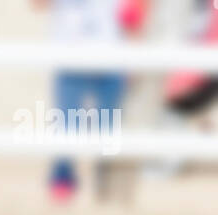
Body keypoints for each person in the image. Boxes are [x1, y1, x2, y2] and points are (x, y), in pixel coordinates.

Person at [32, 0, 149, 199]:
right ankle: (63, 180)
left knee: (108, 128)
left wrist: (133, 58)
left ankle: (106, 183)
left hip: (111, 58)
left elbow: (133, 17)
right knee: (66, 125)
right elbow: (37, 4)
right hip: (69, 59)